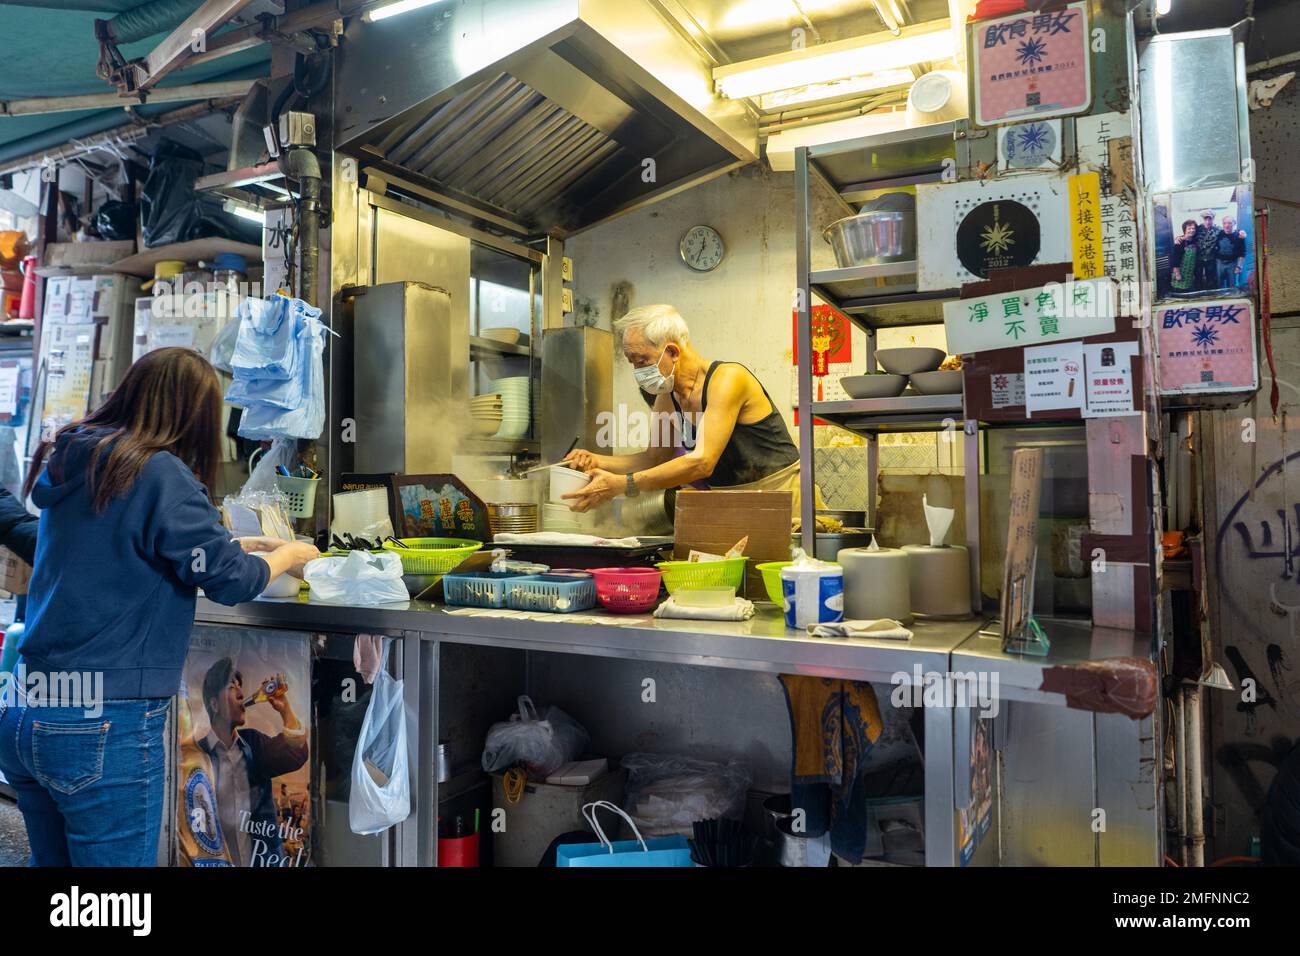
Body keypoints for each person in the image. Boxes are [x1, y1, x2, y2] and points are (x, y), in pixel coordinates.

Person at [0, 347, 318, 866]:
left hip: (27, 711)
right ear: (194, 412)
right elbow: (232, 583)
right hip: (102, 723)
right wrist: (289, 553)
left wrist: (233, 548)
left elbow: (119, 550)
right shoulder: (158, 472)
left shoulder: (82, 457)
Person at [562, 304, 818, 518]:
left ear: (672, 351)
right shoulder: (667, 397)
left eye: (642, 362)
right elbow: (654, 458)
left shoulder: (728, 379)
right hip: (730, 504)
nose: (638, 372)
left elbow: (702, 462)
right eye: (633, 363)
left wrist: (623, 484)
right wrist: (598, 461)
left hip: (783, 498)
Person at [197, 660, 308, 866]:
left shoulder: (253, 743)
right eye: (232, 687)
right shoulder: (198, 754)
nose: (241, 693)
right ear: (214, 705)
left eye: (240, 686)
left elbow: (296, 754)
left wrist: (285, 710)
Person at [1215, 216, 1248, 290]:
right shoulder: (1219, 233)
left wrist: (1239, 266)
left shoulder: (1239, 236)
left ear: (1234, 223)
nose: (1227, 225)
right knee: (1219, 284)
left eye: (1229, 223)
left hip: (1232, 263)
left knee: (1233, 285)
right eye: (1224, 223)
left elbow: (1242, 253)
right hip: (1219, 262)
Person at [1194, 210, 1222, 291]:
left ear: (1213, 219)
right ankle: (1198, 296)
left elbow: (1228, 231)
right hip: (1198, 259)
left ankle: (1210, 296)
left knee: (1211, 278)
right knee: (1198, 278)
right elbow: (1188, 235)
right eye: (1205, 219)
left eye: (1210, 219)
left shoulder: (1217, 229)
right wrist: (1179, 238)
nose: (1208, 221)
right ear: (1203, 219)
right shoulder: (1197, 229)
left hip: (1211, 259)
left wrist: (1240, 232)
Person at [1170, 220, 1199, 296]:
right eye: (1189, 228)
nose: (1192, 230)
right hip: (1180, 272)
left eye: (1193, 228)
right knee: (1179, 293)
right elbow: (1174, 259)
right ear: (1185, 230)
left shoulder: (1195, 241)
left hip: (1189, 273)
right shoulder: (1179, 242)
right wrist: (1177, 274)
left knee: (1188, 292)